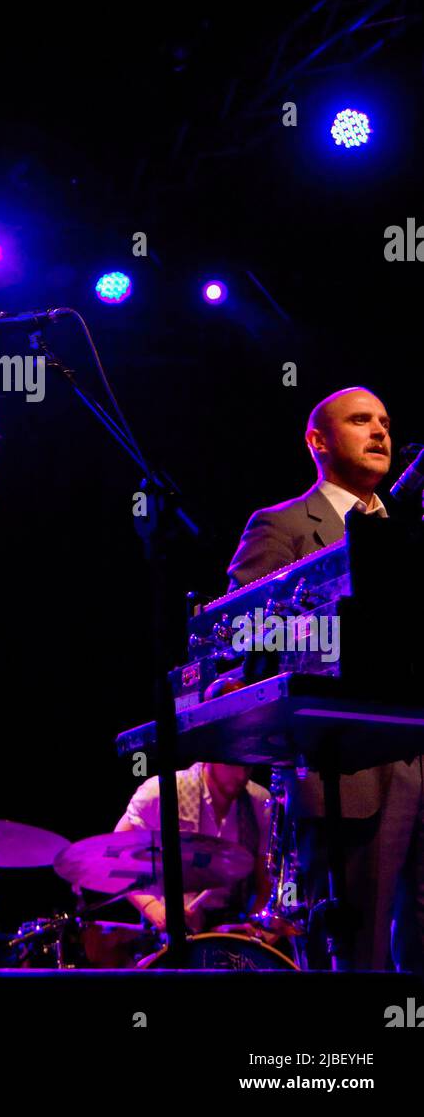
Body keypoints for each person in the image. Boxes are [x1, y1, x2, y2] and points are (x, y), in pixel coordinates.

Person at [226, 385, 424, 971]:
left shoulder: (410, 532)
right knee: (354, 954)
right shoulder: (281, 524)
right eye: (361, 420)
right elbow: (241, 636)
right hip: (346, 766)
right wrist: (334, 634)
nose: (380, 432)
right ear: (318, 440)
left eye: (385, 421)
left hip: (417, 752)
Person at [114, 682, 272, 937]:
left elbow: (266, 880)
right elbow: (116, 856)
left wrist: (258, 923)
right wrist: (153, 907)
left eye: (249, 761)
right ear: (209, 751)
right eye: (234, 760)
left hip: (231, 931)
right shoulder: (161, 792)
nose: (243, 772)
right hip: (171, 934)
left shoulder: (259, 802)